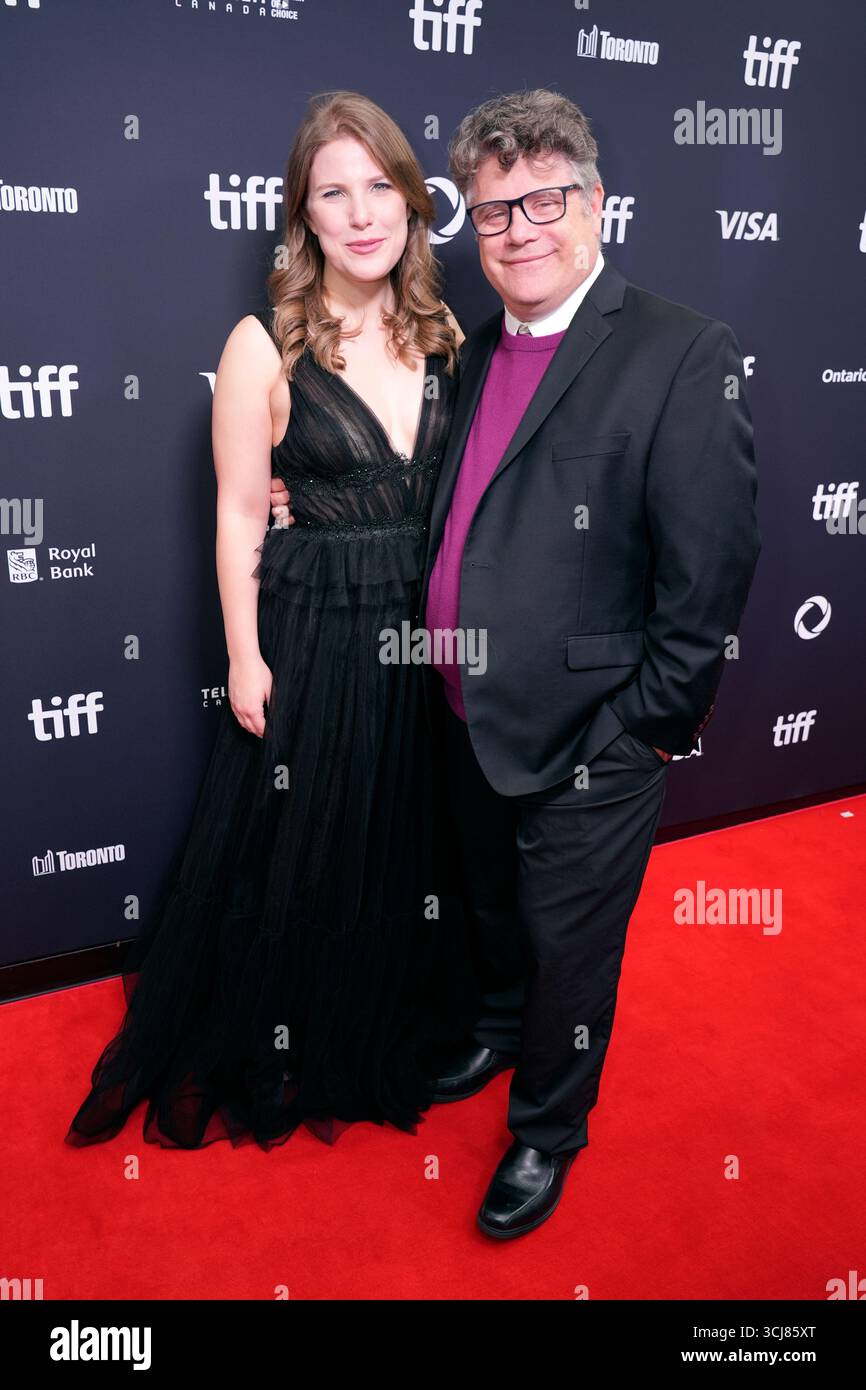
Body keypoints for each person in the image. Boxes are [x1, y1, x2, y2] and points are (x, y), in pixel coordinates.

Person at [273, 86, 762, 1239]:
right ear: (472, 230)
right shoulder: (476, 348)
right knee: (493, 914)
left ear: (595, 204)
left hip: (593, 736)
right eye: (493, 212)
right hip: (461, 708)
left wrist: (642, 726)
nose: (521, 229)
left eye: (546, 200)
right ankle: (494, 1031)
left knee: (569, 949)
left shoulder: (678, 352)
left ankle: (546, 1129)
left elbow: (710, 574)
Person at [65, 90, 475, 1153]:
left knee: (400, 834)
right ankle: (286, 1041)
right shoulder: (263, 345)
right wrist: (244, 656)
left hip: (420, 627)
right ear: (301, 216)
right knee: (305, 840)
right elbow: (242, 511)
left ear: (412, 202)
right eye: (332, 193)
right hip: (315, 626)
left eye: (379, 186)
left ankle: (379, 1015)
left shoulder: (443, 334)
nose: (360, 212)